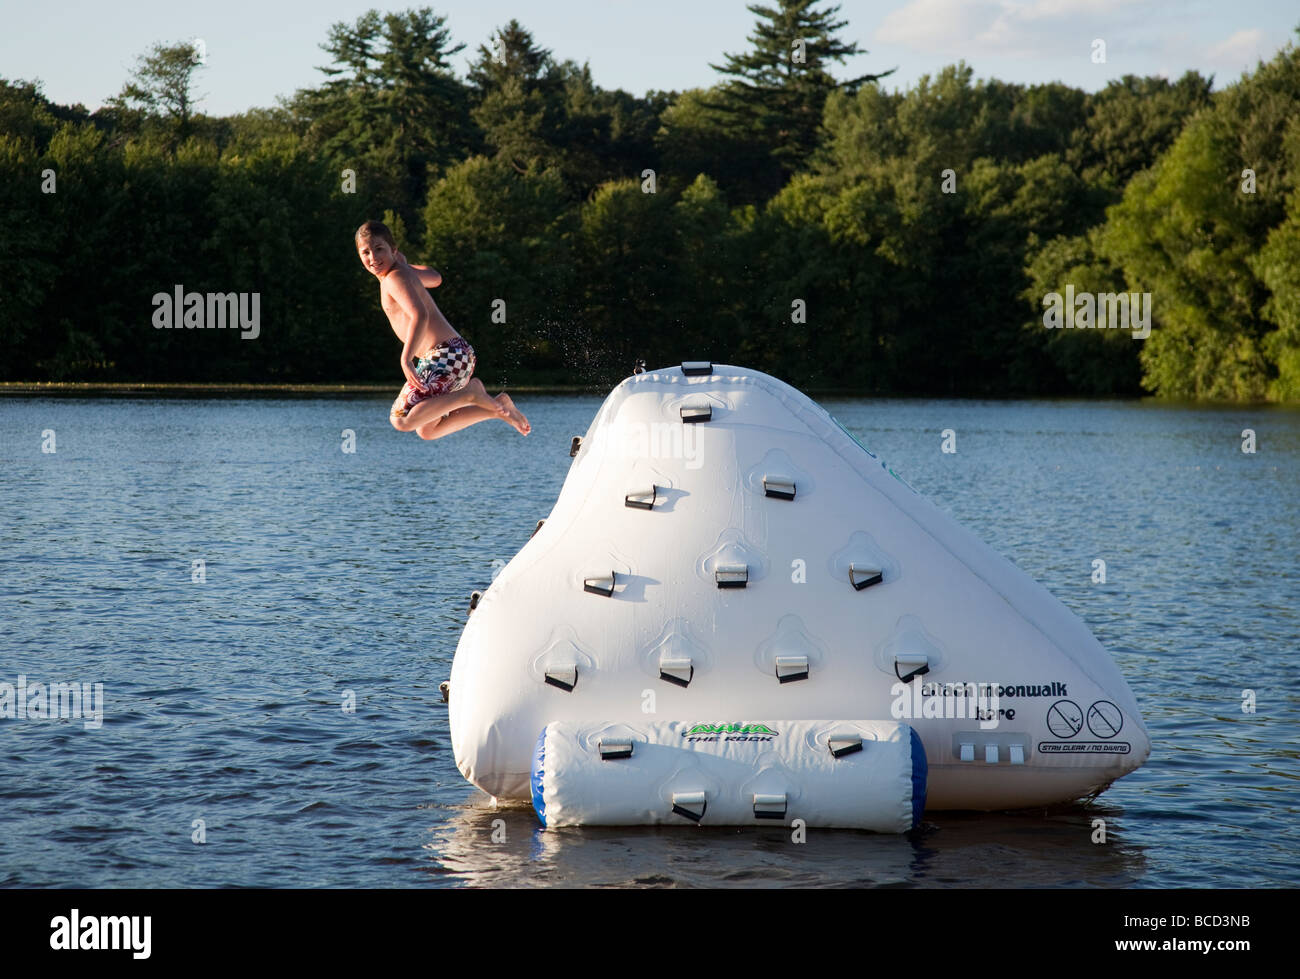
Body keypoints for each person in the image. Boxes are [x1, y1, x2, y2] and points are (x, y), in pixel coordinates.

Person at [355, 220, 530, 440]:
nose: (373, 258)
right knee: (427, 429)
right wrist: (407, 267)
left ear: (394, 249)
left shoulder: (394, 278)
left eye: (379, 249)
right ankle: (496, 407)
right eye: (366, 252)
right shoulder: (401, 272)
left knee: (401, 418)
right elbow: (436, 278)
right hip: (458, 355)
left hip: (444, 355)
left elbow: (421, 315)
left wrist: (406, 359)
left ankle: (471, 393)